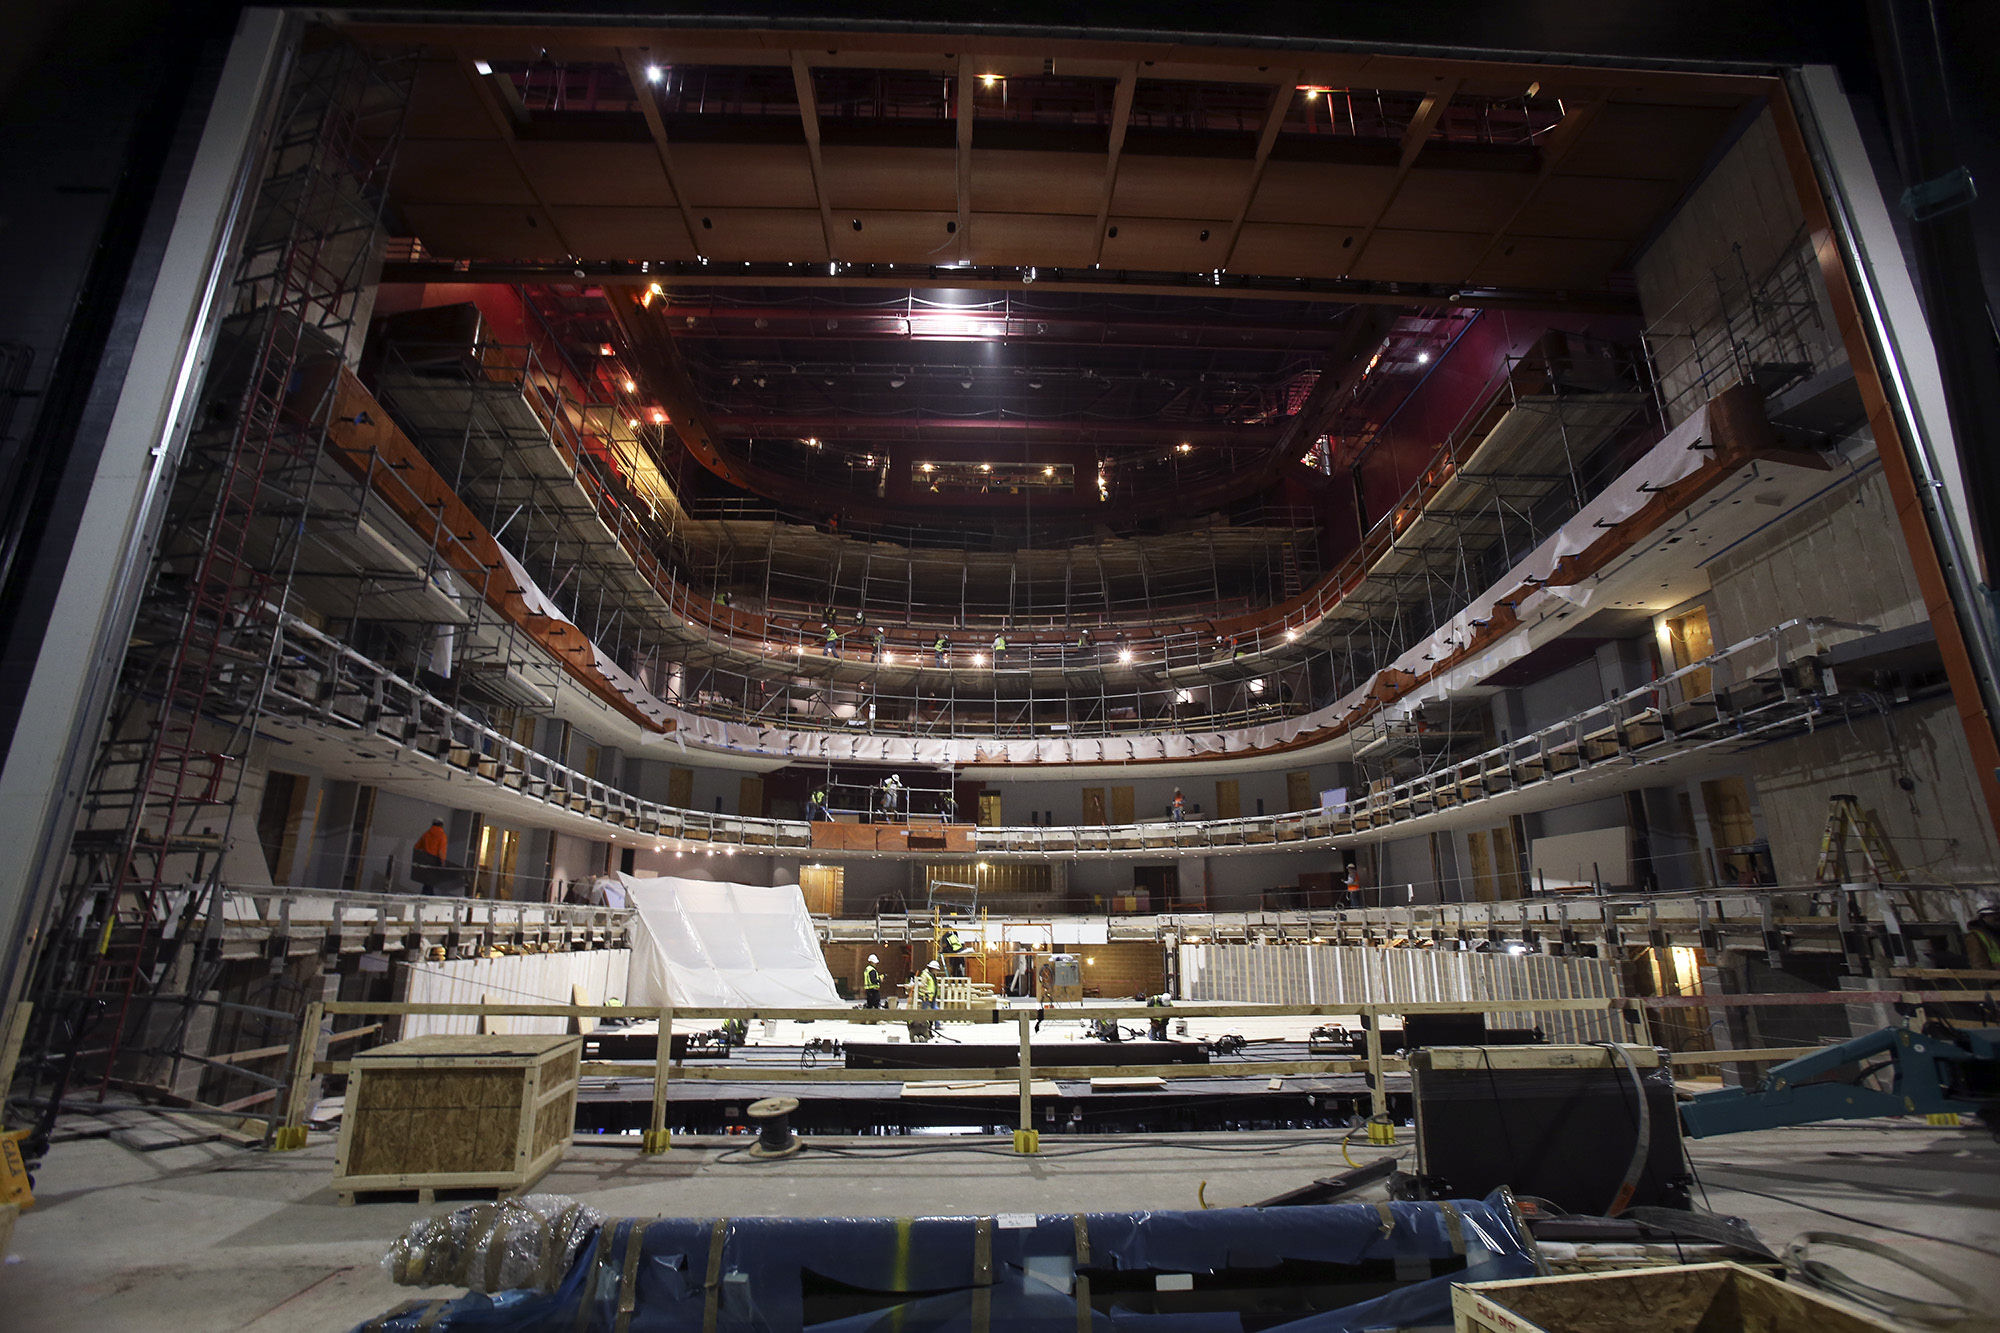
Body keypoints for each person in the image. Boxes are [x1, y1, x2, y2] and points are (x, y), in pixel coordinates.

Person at [1966, 895, 2000, 970]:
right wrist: (1990, 979)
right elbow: (1978, 963)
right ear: (1983, 917)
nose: (1997, 917)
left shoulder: (1996, 931)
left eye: (1998, 914)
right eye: (1992, 915)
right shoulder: (1975, 936)